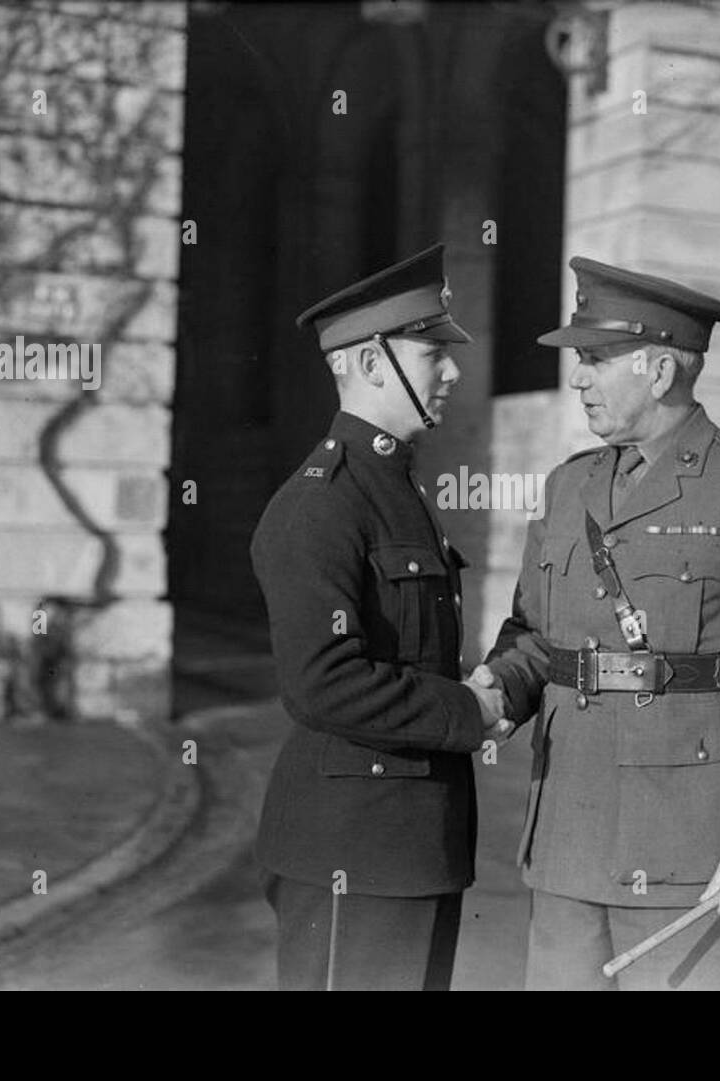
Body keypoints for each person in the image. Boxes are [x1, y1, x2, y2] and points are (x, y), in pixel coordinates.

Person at [474, 256, 720, 990]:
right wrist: (496, 692)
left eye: (595, 359)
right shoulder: (566, 485)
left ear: (660, 370)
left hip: (690, 853)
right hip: (567, 838)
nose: (577, 378)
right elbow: (535, 635)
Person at [249, 244, 510, 991]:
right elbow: (322, 682)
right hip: (349, 853)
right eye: (433, 352)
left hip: (414, 848)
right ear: (368, 365)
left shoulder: (398, 488)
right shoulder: (318, 504)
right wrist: (466, 708)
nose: (453, 370)